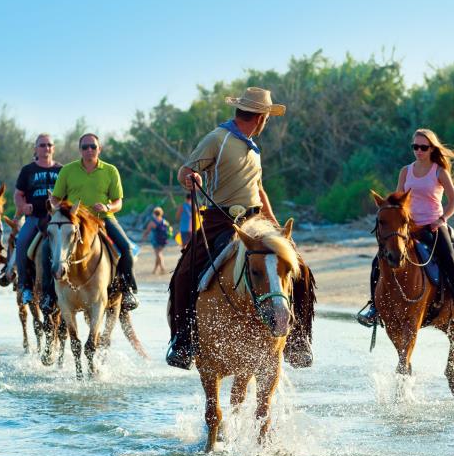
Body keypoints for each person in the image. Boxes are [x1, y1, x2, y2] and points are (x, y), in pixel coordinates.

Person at [166, 87, 313, 370]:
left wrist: (276, 225)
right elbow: (185, 171)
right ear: (261, 118)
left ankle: (298, 340)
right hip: (220, 220)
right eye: (267, 117)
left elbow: (258, 189)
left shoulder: (253, 147)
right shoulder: (217, 139)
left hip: (258, 221)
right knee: (184, 273)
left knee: (301, 269)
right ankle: (183, 341)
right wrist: (192, 177)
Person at [357, 128, 454, 326]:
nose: (419, 151)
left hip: (433, 226)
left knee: (449, 260)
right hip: (408, 228)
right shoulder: (406, 171)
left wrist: (441, 219)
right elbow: (398, 201)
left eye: (423, 147)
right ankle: (374, 307)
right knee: (378, 262)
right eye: (415, 147)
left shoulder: (439, 171)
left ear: (431, 148)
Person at [50, 133, 139, 311]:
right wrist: (61, 210)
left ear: (100, 149)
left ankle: (128, 290)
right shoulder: (68, 170)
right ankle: (49, 296)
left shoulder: (110, 170)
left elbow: (118, 202)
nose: (89, 150)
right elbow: (55, 198)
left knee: (126, 248)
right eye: (85, 147)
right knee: (47, 250)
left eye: (93, 147)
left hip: (103, 220)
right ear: (80, 150)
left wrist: (107, 207)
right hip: (75, 222)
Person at [12, 133, 62, 311]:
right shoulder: (28, 170)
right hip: (35, 218)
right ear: (35, 148)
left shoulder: (62, 170)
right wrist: (23, 206)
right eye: (42, 145)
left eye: (49, 145)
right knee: (22, 242)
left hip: (57, 218)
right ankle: (25, 286)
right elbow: (18, 194)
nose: (46, 148)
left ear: (53, 148)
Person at [141, 206, 171, 275]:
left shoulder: (153, 222)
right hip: (164, 239)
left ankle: (163, 268)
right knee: (159, 254)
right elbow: (169, 229)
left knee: (158, 254)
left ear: (154, 214)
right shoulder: (164, 221)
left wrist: (143, 238)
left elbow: (147, 231)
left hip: (156, 240)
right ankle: (155, 270)